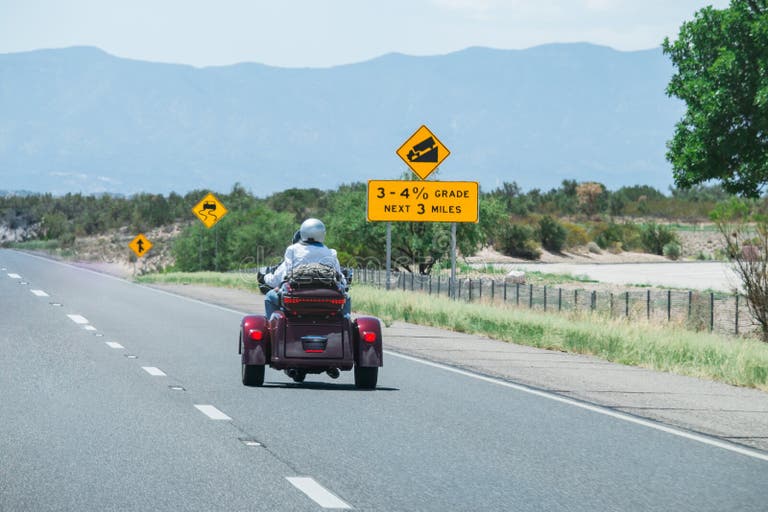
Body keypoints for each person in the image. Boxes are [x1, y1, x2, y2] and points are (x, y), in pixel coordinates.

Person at [264, 218, 350, 318]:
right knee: (346, 298)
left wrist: (267, 277)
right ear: (322, 234)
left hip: (296, 299)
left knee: (270, 296)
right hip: (326, 300)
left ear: (303, 232)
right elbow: (341, 280)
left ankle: (271, 329)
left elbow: (285, 276)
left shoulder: (292, 249)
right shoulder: (330, 252)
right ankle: (346, 326)